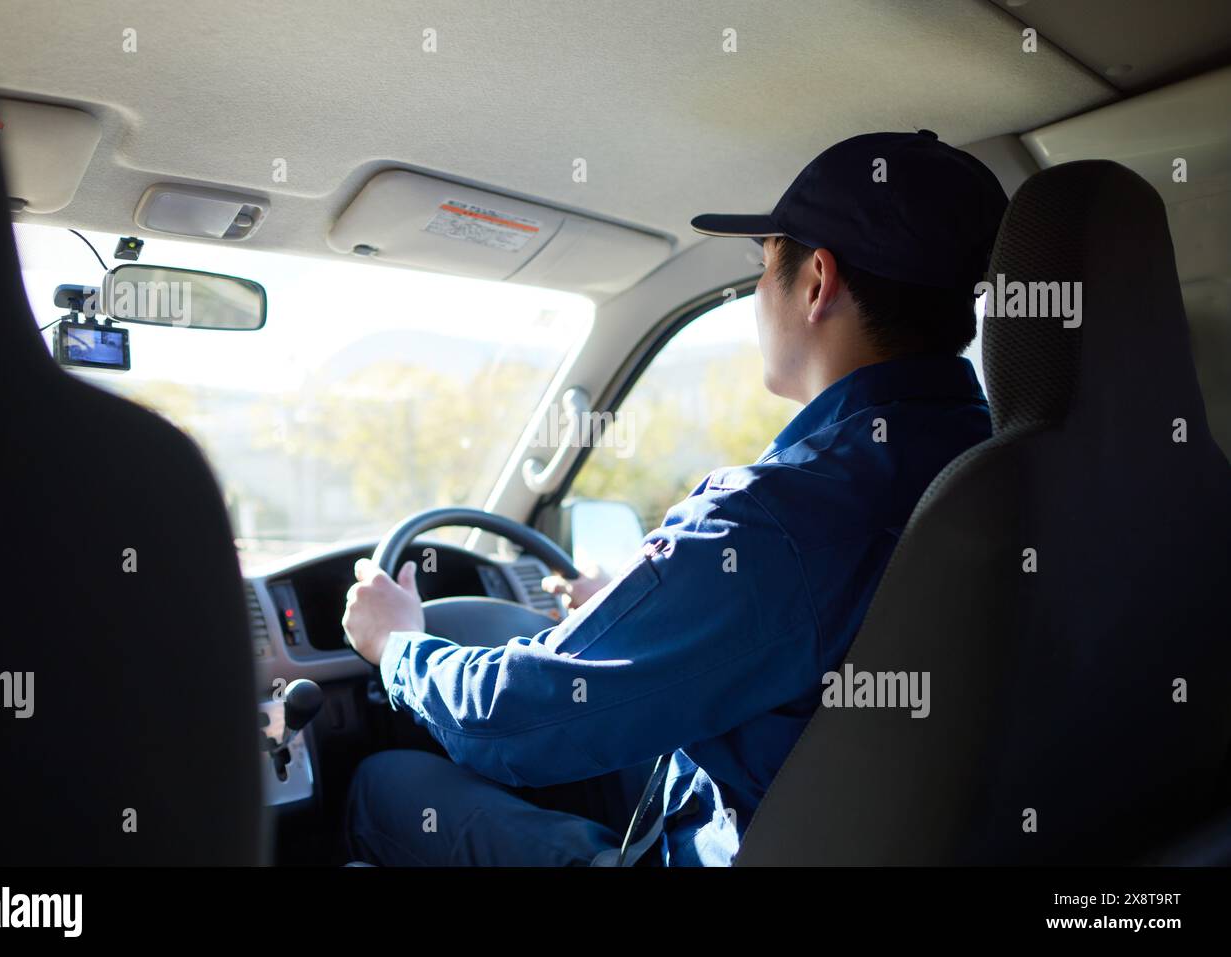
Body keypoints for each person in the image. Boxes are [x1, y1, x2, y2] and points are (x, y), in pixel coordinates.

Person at [342, 130, 1008, 866]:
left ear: (817, 280)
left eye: (762, 268)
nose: (758, 295)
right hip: (846, 820)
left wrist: (396, 643)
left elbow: (508, 725)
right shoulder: (997, 467)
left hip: (737, 842)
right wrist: (643, 610)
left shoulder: (780, 514)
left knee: (388, 783)